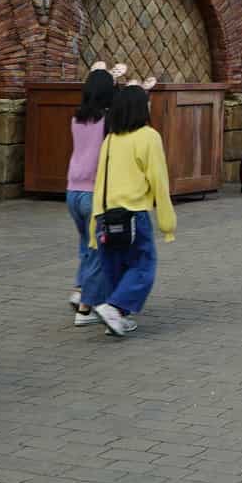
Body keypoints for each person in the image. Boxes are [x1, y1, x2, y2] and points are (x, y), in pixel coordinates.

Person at [85, 83, 174, 337]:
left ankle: (116, 318)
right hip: (133, 214)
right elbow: (159, 180)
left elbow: (99, 182)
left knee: (115, 269)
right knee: (143, 266)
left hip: (105, 215)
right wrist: (167, 223)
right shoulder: (149, 137)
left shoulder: (110, 139)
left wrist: (93, 227)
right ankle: (114, 308)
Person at [67, 63, 117, 324]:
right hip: (94, 193)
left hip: (72, 190)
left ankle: (79, 289)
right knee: (97, 250)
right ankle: (85, 308)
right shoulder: (107, 120)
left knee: (86, 245)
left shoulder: (76, 118)